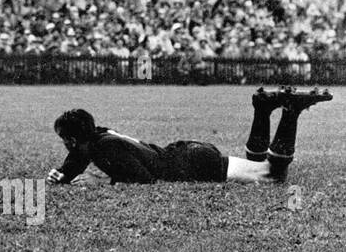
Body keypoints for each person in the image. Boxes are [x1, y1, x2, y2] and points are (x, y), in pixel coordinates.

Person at [47, 86, 333, 186]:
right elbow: (78, 156)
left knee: (273, 176)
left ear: (72, 139)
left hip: (190, 164)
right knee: (259, 167)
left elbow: (144, 180)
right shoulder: (100, 136)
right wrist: (63, 173)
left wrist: (106, 180)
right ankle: (262, 109)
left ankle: (290, 112)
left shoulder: (104, 149)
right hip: (187, 153)